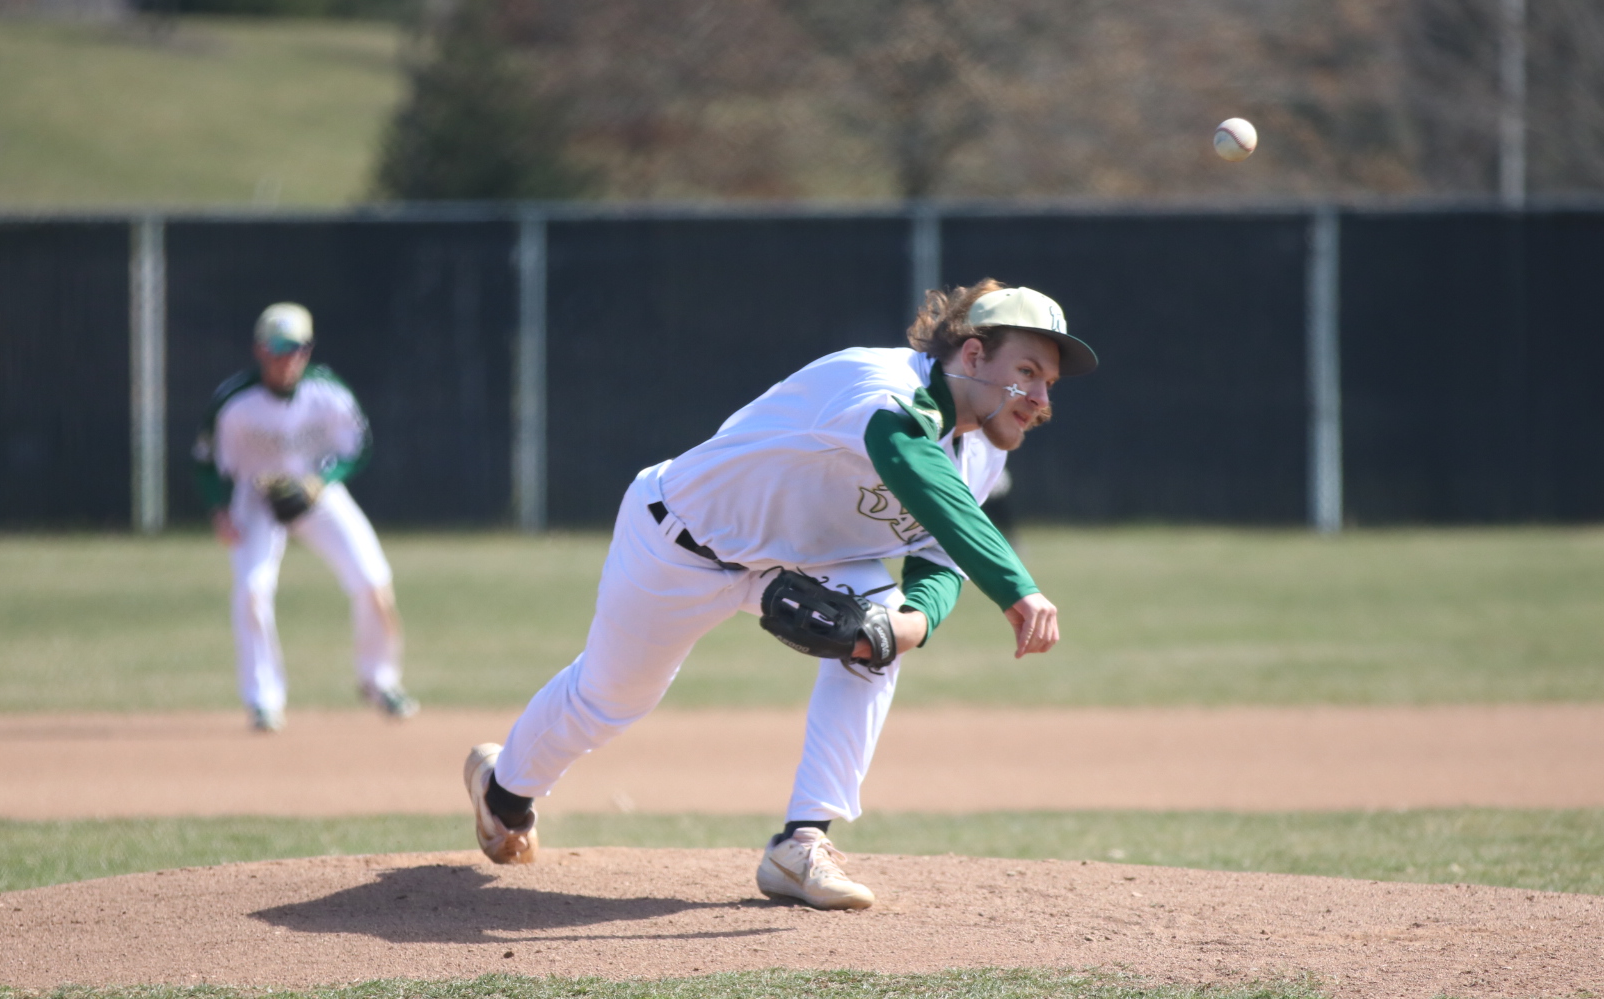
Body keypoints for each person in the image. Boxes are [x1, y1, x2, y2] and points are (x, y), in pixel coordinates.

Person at [464, 280, 1097, 907]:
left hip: (812, 559)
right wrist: (1016, 588)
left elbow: (937, 554)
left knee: (874, 640)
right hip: (680, 541)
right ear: (973, 354)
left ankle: (802, 842)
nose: (1041, 398)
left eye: (1049, 384)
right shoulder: (879, 384)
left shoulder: (980, 454)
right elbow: (902, 452)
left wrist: (910, 624)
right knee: (610, 699)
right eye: (1028, 371)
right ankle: (504, 794)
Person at [192, 302, 419, 733]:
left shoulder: (327, 392)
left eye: (296, 347)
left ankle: (380, 680)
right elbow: (206, 461)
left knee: (373, 580)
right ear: (259, 351)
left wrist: (324, 479)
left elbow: (358, 447)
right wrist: (219, 509)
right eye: (276, 347)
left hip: (316, 491)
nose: (286, 357)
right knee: (252, 591)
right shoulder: (235, 401)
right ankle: (264, 700)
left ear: (309, 350)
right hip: (255, 497)